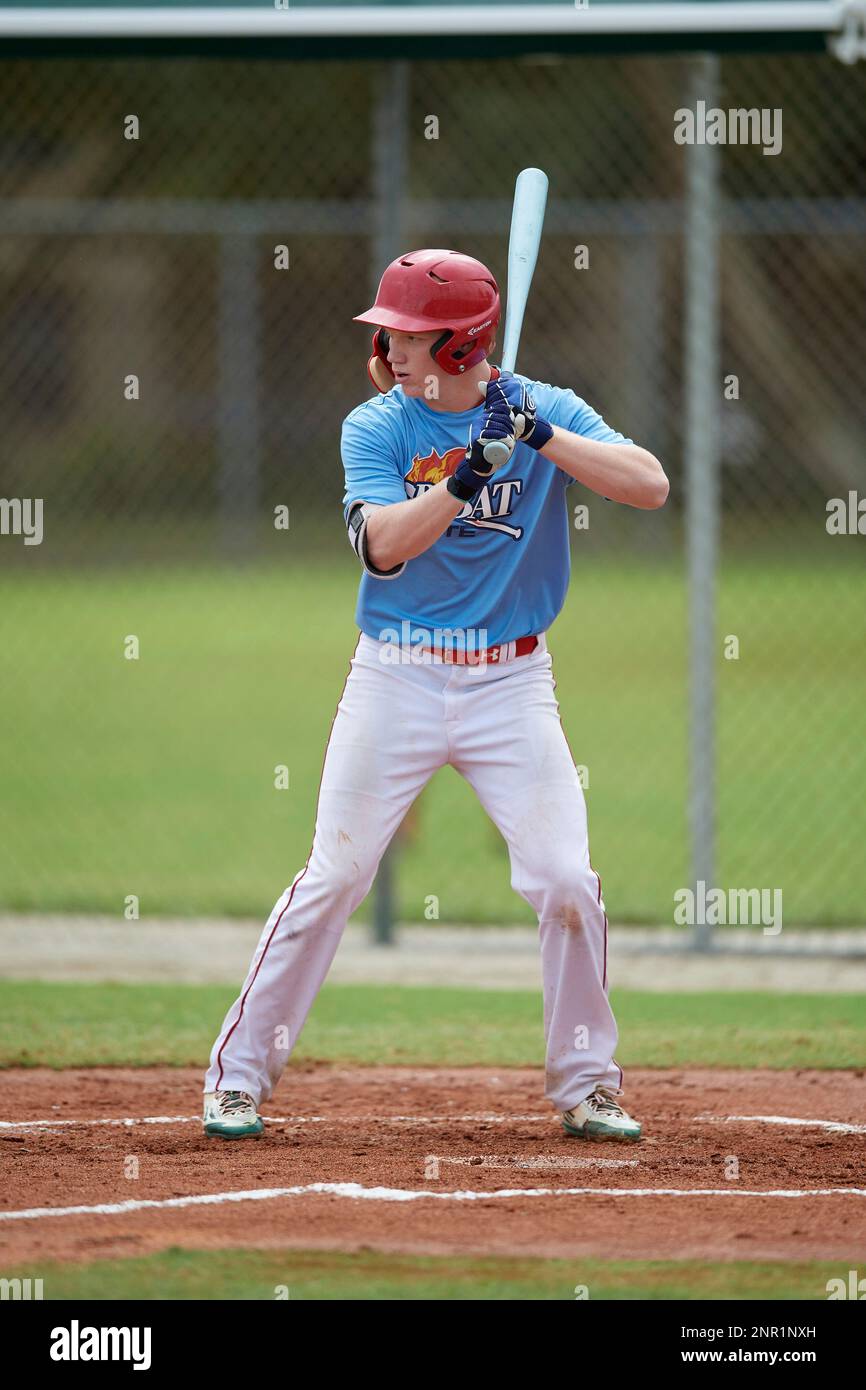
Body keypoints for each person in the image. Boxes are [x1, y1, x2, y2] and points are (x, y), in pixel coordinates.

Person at [203, 248, 668, 1142]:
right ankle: (238, 1079)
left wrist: (537, 437)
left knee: (568, 880)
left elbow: (649, 485)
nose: (390, 347)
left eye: (410, 334)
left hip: (512, 683)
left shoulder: (540, 408)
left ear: (463, 344)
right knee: (335, 874)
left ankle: (586, 1084)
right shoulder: (375, 427)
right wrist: (463, 477)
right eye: (389, 333)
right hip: (398, 675)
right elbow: (383, 548)